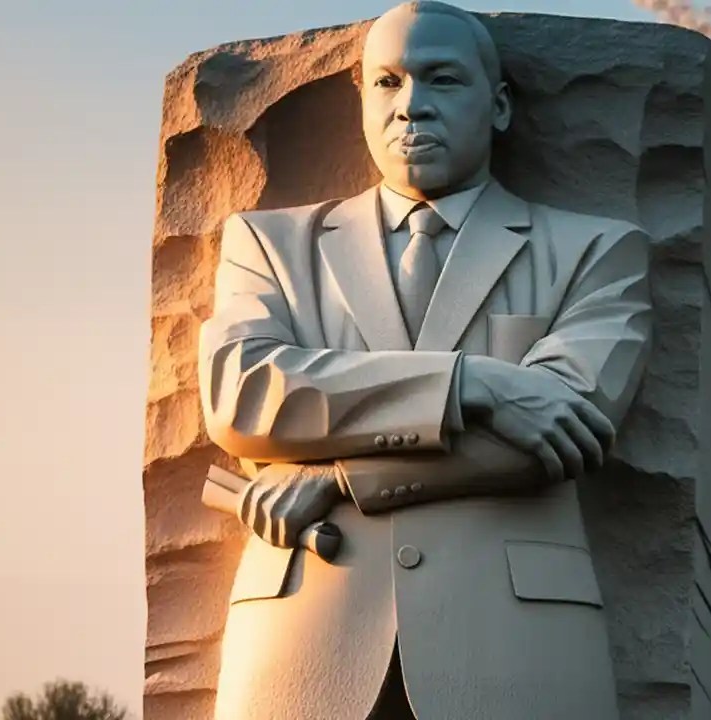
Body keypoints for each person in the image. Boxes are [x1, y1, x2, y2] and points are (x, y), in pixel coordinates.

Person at [198, 2, 653, 718]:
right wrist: (474, 384)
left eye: (442, 80)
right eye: (388, 83)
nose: (412, 107)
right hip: (304, 641)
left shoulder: (594, 251)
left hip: (519, 650)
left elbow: (566, 428)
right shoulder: (270, 247)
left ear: (499, 105)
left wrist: (332, 474)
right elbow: (244, 394)